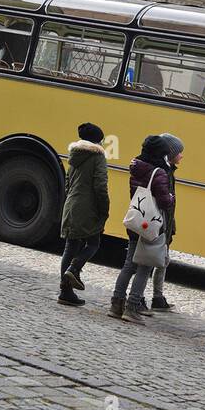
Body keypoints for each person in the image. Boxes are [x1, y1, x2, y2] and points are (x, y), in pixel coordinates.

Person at [111, 134, 183, 324]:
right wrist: (171, 197)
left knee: (129, 265)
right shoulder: (158, 172)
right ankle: (132, 307)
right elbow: (165, 201)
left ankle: (116, 303)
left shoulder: (137, 167)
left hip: (136, 222)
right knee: (144, 267)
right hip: (151, 225)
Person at [58, 123, 110, 308]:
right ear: (98, 141)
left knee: (70, 247)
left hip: (71, 205)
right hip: (89, 209)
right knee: (93, 243)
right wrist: (104, 209)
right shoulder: (97, 157)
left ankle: (65, 292)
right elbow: (100, 187)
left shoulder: (75, 156)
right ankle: (74, 269)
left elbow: (67, 183)